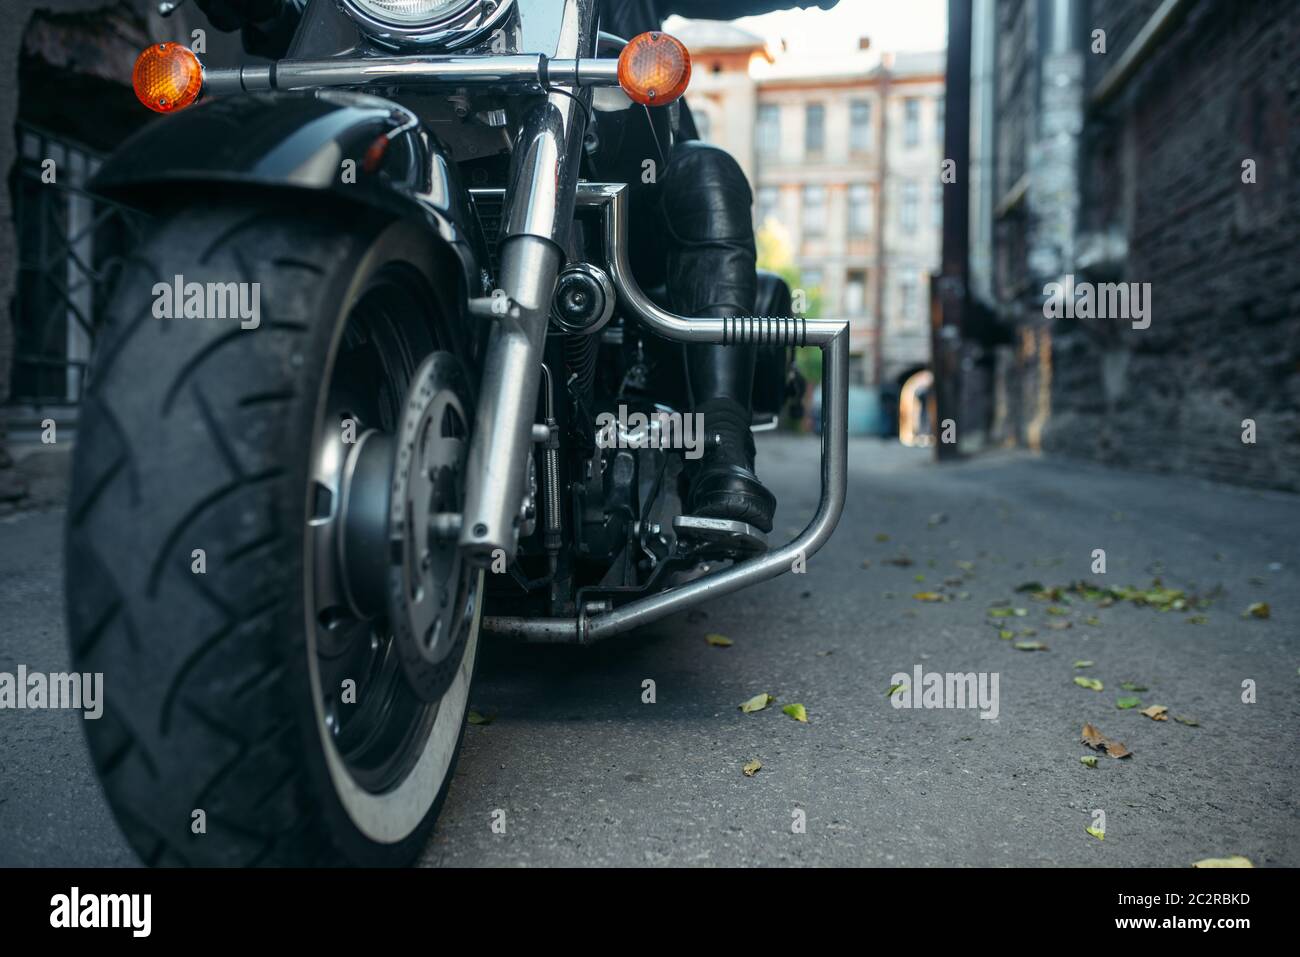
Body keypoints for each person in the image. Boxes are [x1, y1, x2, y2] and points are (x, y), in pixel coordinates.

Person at [195, 0, 837, 533]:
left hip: (614, 163)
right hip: (423, 146)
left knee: (708, 171)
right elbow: (293, 25)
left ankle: (723, 451)